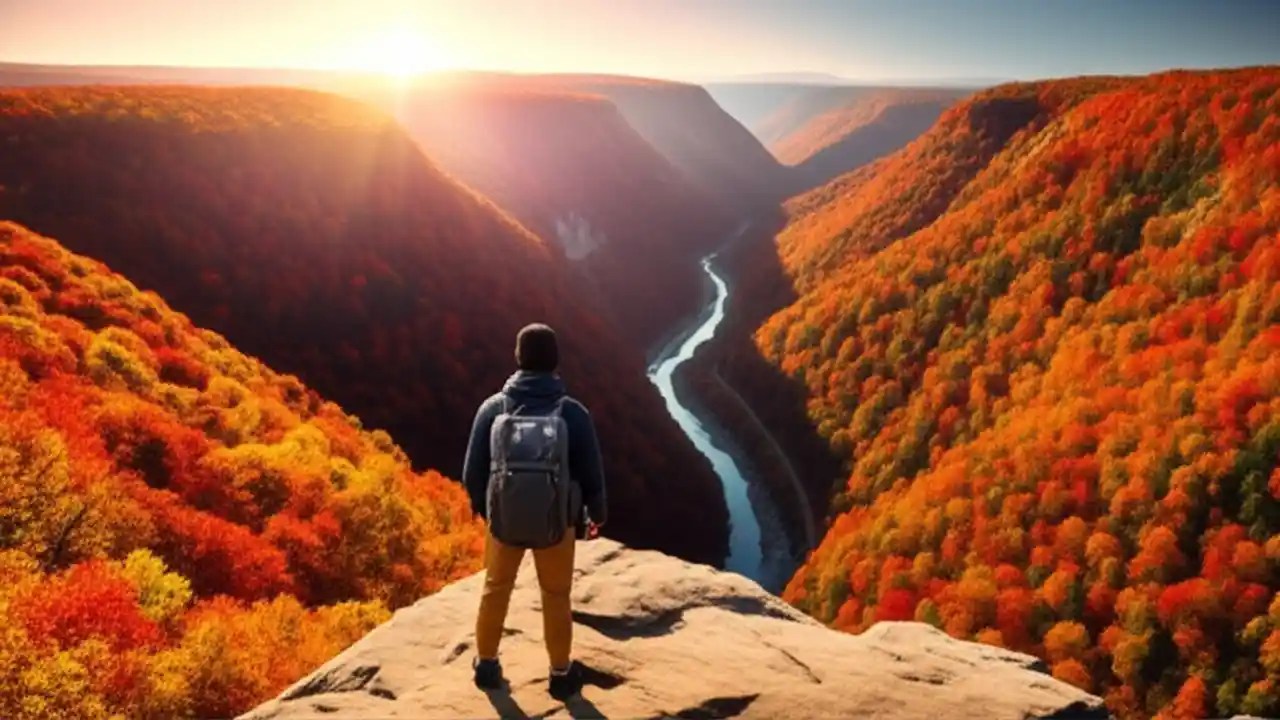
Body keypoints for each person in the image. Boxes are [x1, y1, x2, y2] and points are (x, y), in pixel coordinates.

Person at [462, 322, 607, 700]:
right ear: (555, 362)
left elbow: (471, 473)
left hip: (504, 522)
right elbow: (592, 473)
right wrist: (596, 512)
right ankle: (560, 674)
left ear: (518, 358)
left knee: (495, 590)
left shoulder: (494, 408)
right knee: (556, 596)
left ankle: (487, 665)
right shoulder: (573, 414)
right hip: (556, 524)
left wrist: (487, 511)